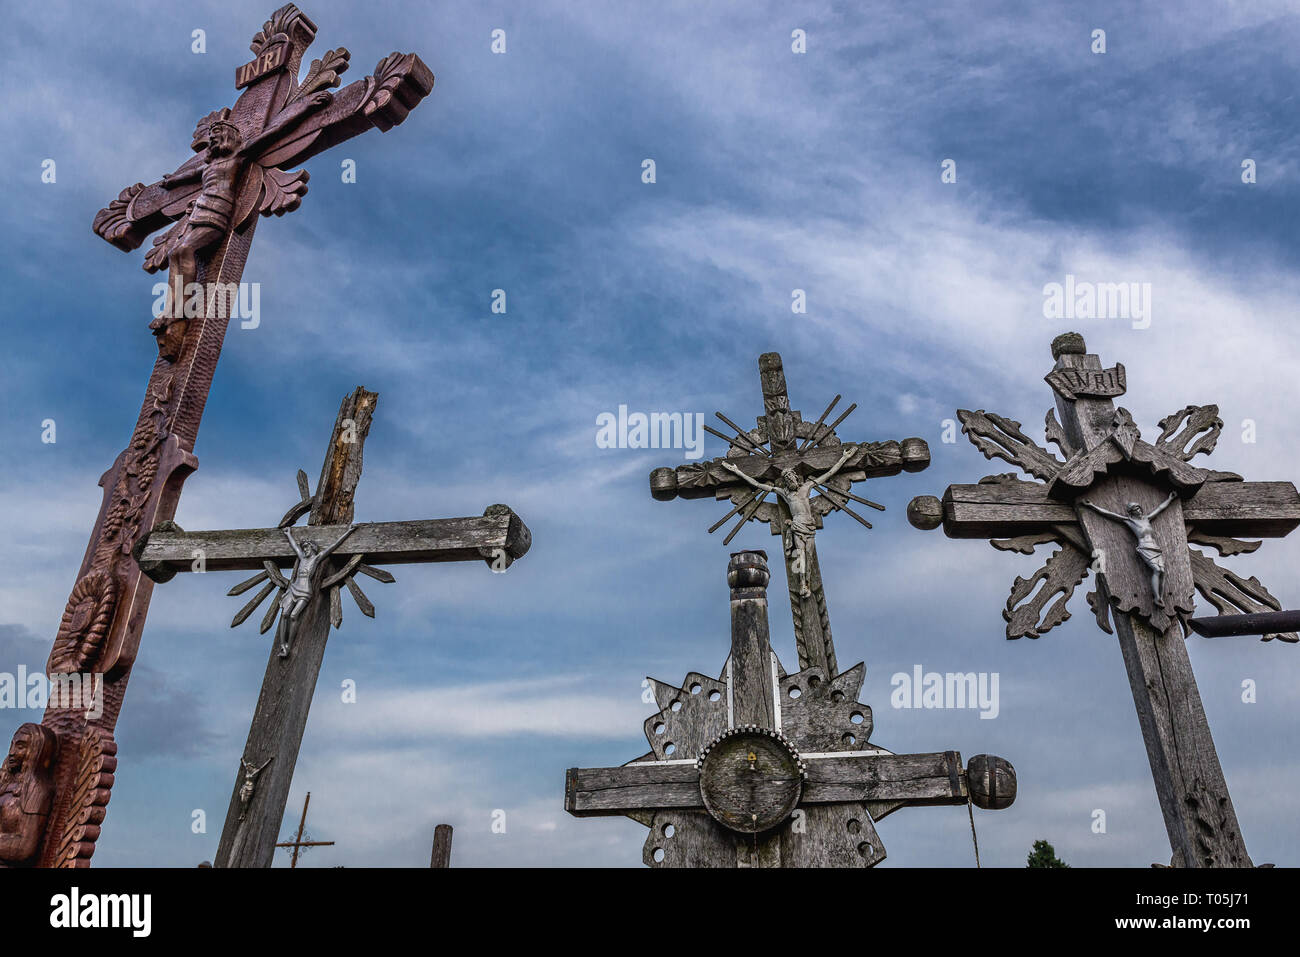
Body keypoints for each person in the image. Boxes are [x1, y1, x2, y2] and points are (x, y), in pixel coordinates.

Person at [721, 444, 858, 598]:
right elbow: (758, 485)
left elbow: (830, 472)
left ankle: (807, 582)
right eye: (786, 479)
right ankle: (802, 585)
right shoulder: (786, 494)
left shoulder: (806, 487)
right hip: (797, 525)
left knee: (809, 555)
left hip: (809, 525)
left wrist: (845, 458)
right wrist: (737, 471)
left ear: (795, 477)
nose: (789, 480)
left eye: (790, 477)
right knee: (800, 555)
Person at [1080, 492, 1178, 608]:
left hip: (1155, 547)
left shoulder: (1147, 518)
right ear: (1131, 512)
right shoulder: (1129, 521)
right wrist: (1092, 505)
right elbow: (1110, 514)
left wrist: (1170, 499)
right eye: (1135, 509)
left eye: (1138, 508)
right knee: (1157, 570)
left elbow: (1160, 508)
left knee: (1162, 572)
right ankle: (1156, 597)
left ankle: (1160, 598)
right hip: (1144, 547)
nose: (1138, 510)